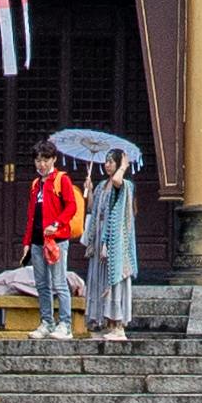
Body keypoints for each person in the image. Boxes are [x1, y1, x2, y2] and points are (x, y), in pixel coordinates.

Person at [79, 132, 145, 344]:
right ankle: (104, 322)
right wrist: (88, 190)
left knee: (114, 280)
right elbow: (92, 210)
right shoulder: (101, 186)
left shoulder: (124, 185)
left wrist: (124, 166)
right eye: (106, 161)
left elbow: (118, 182)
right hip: (99, 240)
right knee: (98, 280)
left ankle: (118, 325)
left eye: (111, 161)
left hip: (115, 243)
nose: (107, 165)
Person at [25, 145, 87, 344]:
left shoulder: (62, 179)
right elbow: (31, 216)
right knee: (42, 284)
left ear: (53, 160)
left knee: (59, 283)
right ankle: (46, 322)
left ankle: (65, 324)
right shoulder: (36, 184)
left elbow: (71, 206)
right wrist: (27, 241)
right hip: (37, 240)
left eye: (45, 160)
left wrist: (56, 224)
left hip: (56, 240)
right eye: (38, 160)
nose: (41, 164)